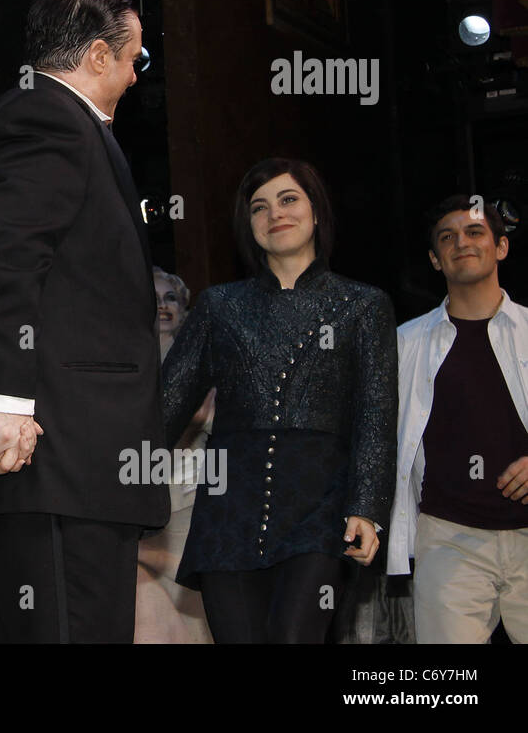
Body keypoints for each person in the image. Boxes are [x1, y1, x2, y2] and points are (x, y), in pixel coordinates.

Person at [0, 0, 169, 643]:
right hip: (49, 464)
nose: (136, 77)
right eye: (136, 59)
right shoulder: (47, 119)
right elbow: (5, 259)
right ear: (99, 57)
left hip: (67, 474)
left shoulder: (52, 120)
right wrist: (8, 402)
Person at [161, 158, 397, 643]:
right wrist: (110, 476)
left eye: (289, 200)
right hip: (229, 508)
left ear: (316, 213)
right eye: (259, 208)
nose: (276, 214)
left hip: (321, 502)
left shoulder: (363, 304)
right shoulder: (218, 305)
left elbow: (376, 415)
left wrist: (367, 506)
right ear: (248, 227)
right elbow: (165, 407)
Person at [389, 195, 528, 643]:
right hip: (448, 538)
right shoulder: (404, 343)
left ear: (501, 247)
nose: (461, 243)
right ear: (435, 259)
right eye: (447, 238)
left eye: (474, 232)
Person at [134, 268, 215, 644]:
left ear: (184, 309)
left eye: (171, 298)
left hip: (199, 496)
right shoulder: (126, 370)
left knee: (200, 610)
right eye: (153, 299)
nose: (163, 307)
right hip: (142, 498)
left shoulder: (210, 363)